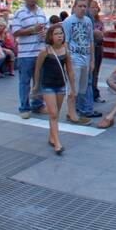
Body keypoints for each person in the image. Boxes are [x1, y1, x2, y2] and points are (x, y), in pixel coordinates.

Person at [8, 0, 50, 115]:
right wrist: (33, 30)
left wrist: (46, 33)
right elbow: (15, 32)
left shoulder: (41, 12)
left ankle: (38, 105)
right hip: (26, 54)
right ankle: (24, 108)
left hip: (40, 53)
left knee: (39, 81)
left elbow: (47, 28)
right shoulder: (19, 13)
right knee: (25, 82)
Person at [32, 23, 72, 152]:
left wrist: (73, 88)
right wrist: (36, 85)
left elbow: (70, 71)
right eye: (56, 34)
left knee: (56, 114)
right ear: (50, 36)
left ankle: (52, 137)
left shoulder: (66, 51)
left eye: (61, 33)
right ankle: (57, 143)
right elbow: (37, 69)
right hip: (48, 86)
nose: (60, 36)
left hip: (61, 86)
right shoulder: (45, 51)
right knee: (53, 114)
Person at [66, 0, 103, 121]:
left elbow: (90, 41)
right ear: (75, 7)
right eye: (80, 6)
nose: (82, 9)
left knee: (83, 87)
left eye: (84, 6)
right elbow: (66, 42)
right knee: (73, 88)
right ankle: (72, 112)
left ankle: (81, 108)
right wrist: (68, 60)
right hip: (74, 58)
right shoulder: (68, 22)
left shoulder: (87, 21)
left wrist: (92, 60)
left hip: (86, 58)